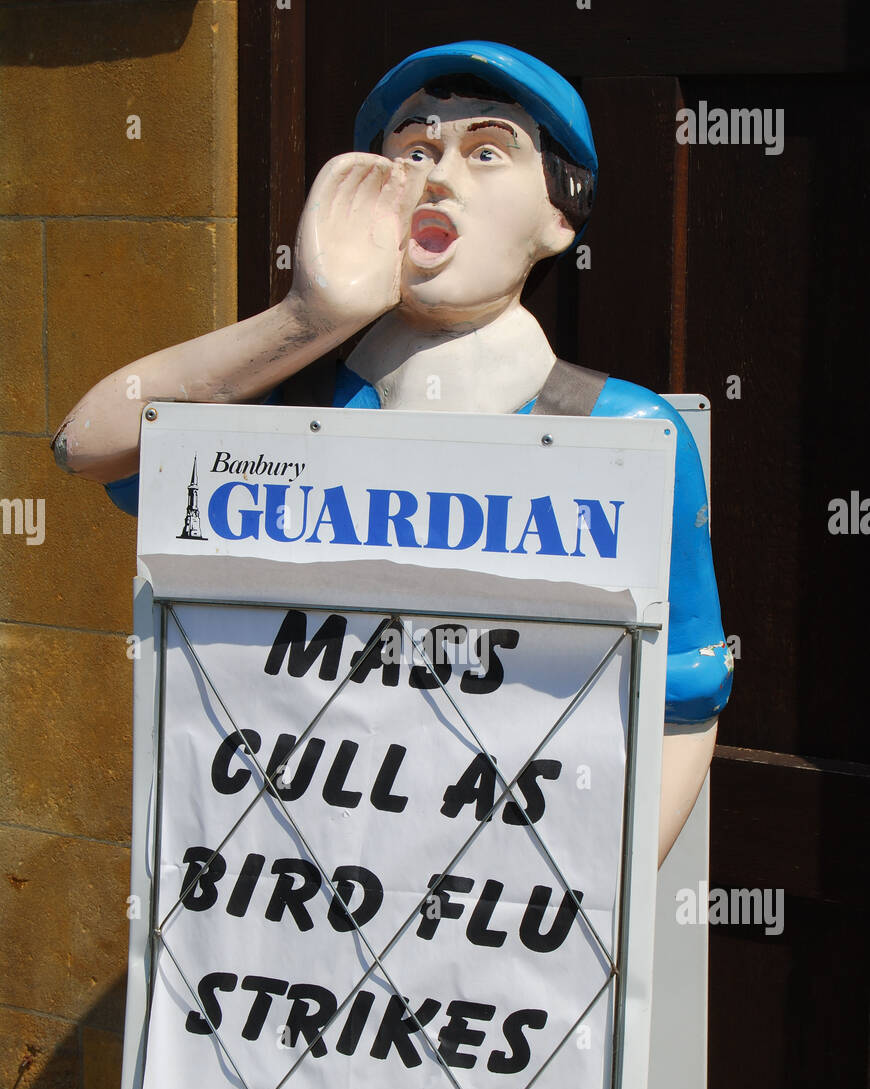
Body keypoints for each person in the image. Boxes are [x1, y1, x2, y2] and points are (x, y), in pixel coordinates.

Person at [50, 39, 732, 863]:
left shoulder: (622, 435)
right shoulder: (293, 410)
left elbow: (686, 690)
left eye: (486, 152)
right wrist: (306, 320)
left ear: (560, 217)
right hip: (283, 881)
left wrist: (584, 911)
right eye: (412, 150)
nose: (437, 177)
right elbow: (89, 445)